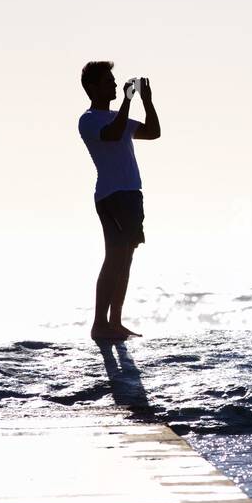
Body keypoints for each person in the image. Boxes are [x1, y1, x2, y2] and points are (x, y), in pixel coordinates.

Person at [78, 61, 161, 341]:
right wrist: (127, 101)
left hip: (131, 193)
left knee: (125, 258)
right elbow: (113, 134)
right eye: (108, 81)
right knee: (114, 256)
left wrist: (146, 102)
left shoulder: (118, 117)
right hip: (111, 195)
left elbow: (153, 131)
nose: (114, 85)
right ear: (92, 87)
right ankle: (100, 323)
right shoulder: (89, 119)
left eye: (115, 81)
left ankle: (115, 322)